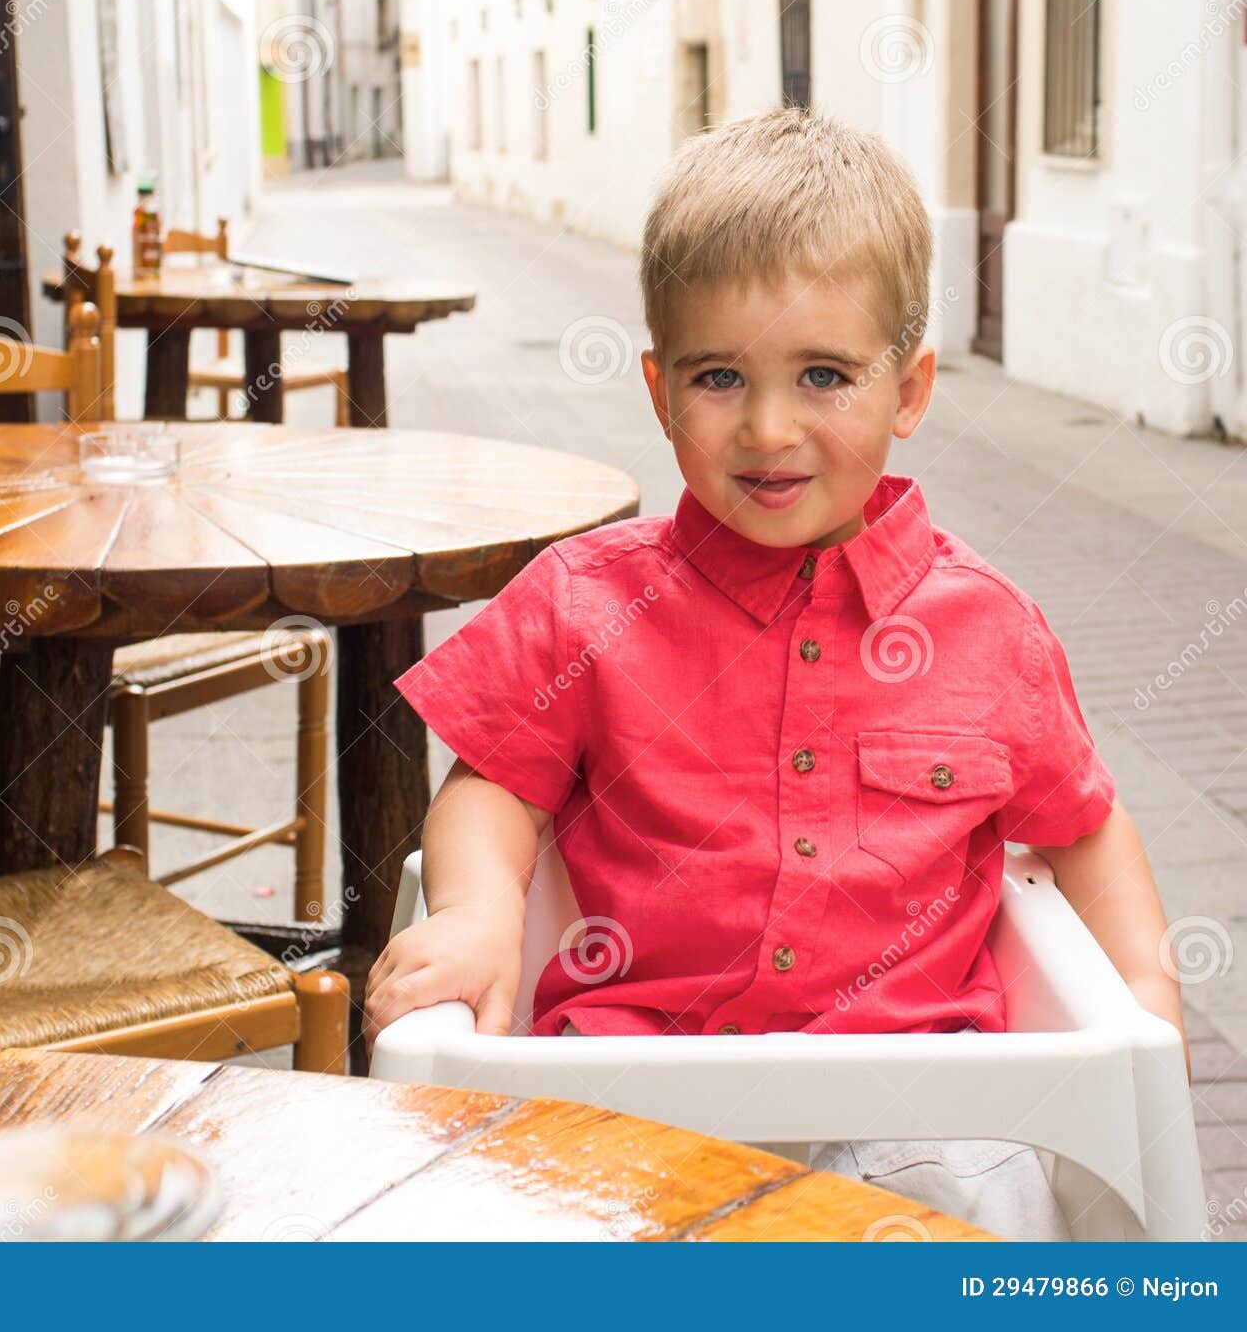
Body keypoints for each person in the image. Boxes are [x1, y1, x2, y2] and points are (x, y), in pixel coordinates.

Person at [362, 106, 1188, 1240]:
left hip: (920, 1100)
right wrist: (473, 915)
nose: (766, 426)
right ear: (658, 390)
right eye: (717, 376)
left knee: (988, 1208)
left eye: (822, 375)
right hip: (637, 1086)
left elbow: (1084, 827)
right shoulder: (584, 599)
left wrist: (1143, 1009)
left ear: (907, 390)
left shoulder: (989, 626)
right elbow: (491, 784)